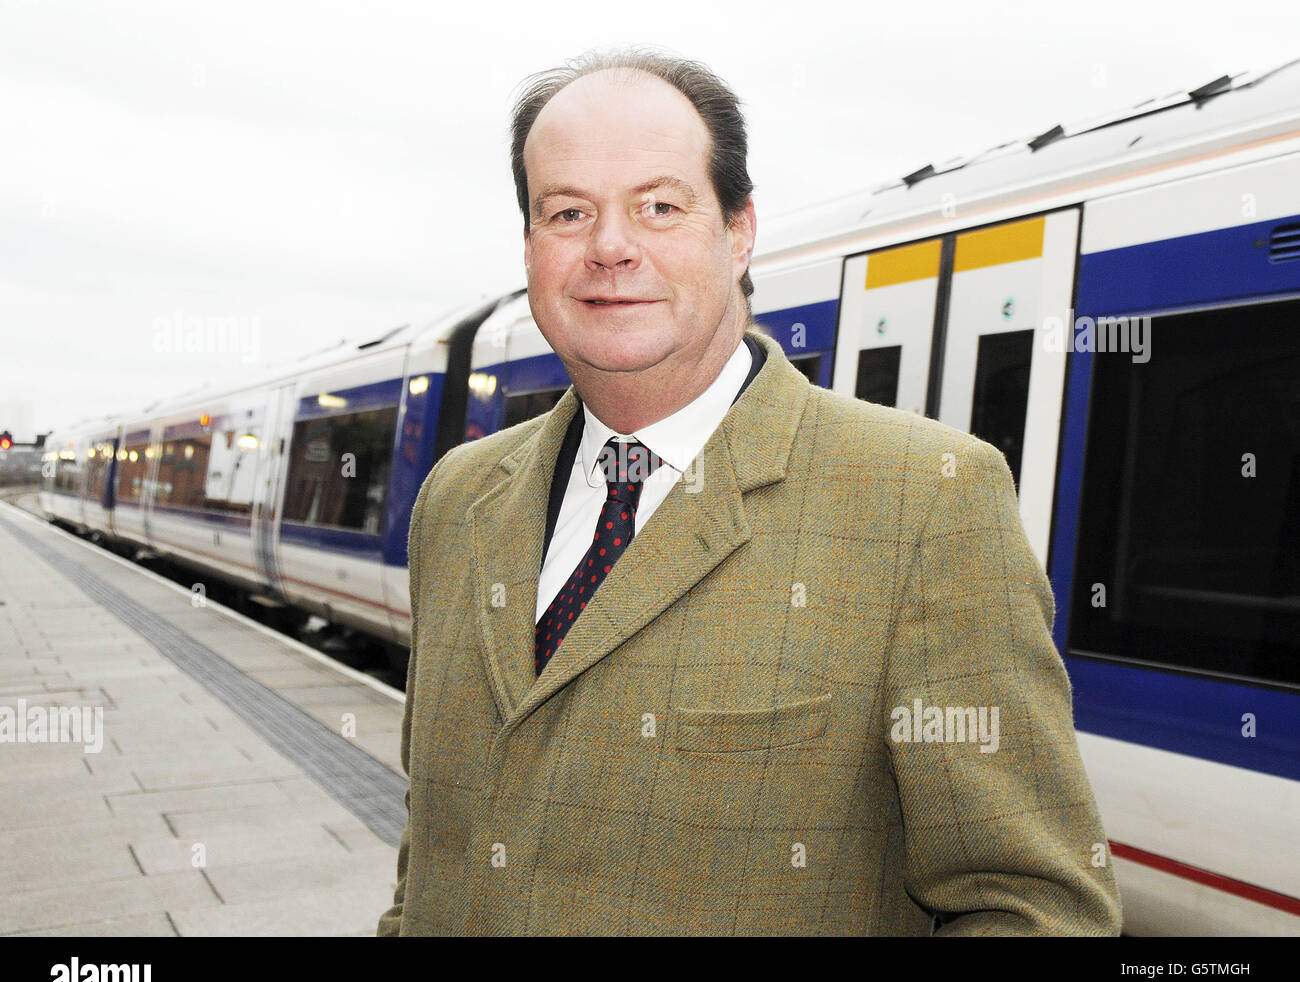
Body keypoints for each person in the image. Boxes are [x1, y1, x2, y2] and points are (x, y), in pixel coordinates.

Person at [377, 47, 1122, 936]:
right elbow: (434, 844)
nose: (610, 247)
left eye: (659, 206)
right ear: (531, 248)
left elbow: (1036, 906)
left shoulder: (926, 501)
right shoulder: (456, 498)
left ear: (738, 231)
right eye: (568, 211)